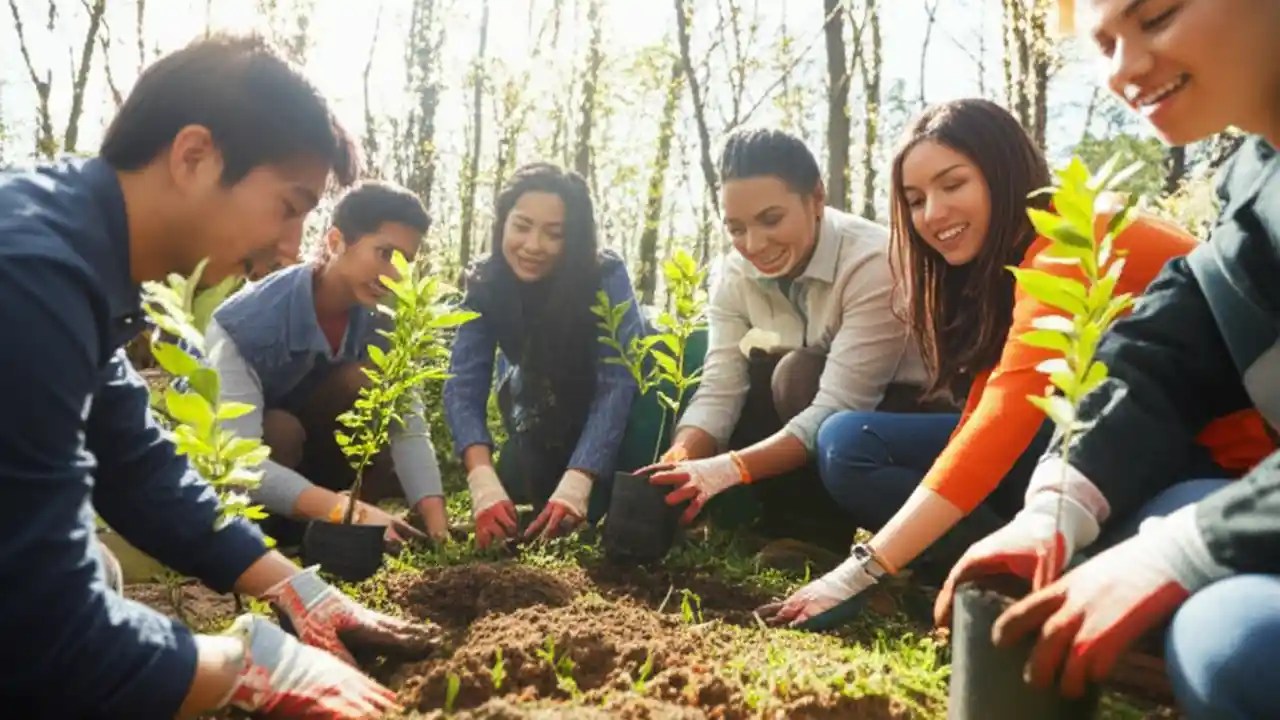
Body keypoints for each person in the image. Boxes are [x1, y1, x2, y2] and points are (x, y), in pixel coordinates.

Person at [0, 36, 437, 719]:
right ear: (195, 157)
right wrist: (244, 665)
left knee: (104, 572)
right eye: (288, 206)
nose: (290, 246)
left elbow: (136, 465)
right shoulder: (26, 278)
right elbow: (45, 630)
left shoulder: (73, 252)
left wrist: (295, 586)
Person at [758, 98, 1274, 629]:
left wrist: (859, 570)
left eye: (953, 185)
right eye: (914, 200)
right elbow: (983, 411)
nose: (932, 214)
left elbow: (1000, 428)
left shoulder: (1070, 247)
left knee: (1162, 558)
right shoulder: (1010, 266)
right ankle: (985, 575)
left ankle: (1018, 589)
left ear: (1004, 174)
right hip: (1092, 451)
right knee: (850, 441)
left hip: (1210, 474)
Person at [931, 2, 1280, 717]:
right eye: (1104, 43)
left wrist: (1180, 553)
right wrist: (1053, 510)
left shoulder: (1067, 245)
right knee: (1161, 544)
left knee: (1234, 642)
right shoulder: (1254, 183)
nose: (1122, 69)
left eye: (1156, 15)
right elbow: (1160, 352)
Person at [646, 127, 931, 547]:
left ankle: (828, 537)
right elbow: (719, 388)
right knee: (763, 374)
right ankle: (785, 532)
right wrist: (682, 458)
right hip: (820, 410)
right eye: (736, 228)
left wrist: (722, 471)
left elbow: (840, 404)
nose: (754, 244)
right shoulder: (735, 274)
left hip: (902, 420)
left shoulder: (874, 261)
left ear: (817, 199)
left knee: (794, 375)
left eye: (771, 219)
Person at [208, 180, 448, 545]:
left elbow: (407, 427)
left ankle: (355, 533)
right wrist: (344, 512)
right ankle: (292, 533)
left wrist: (438, 528)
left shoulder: (386, 315)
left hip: (320, 456)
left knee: (367, 380)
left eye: (406, 262)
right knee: (281, 430)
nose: (396, 274)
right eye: (384, 253)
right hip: (255, 465)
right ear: (335, 242)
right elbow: (240, 461)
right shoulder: (245, 322)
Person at [444, 163, 647, 548]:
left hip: (622, 405)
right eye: (521, 226)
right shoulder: (486, 282)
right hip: (540, 405)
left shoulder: (604, 274)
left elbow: (617, 381)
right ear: (503, 223)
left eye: (554, 234)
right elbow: (464, 383)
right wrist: (482, 481)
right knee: (521, 486)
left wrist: (581, 477)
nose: (533, 246)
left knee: (612, 514)